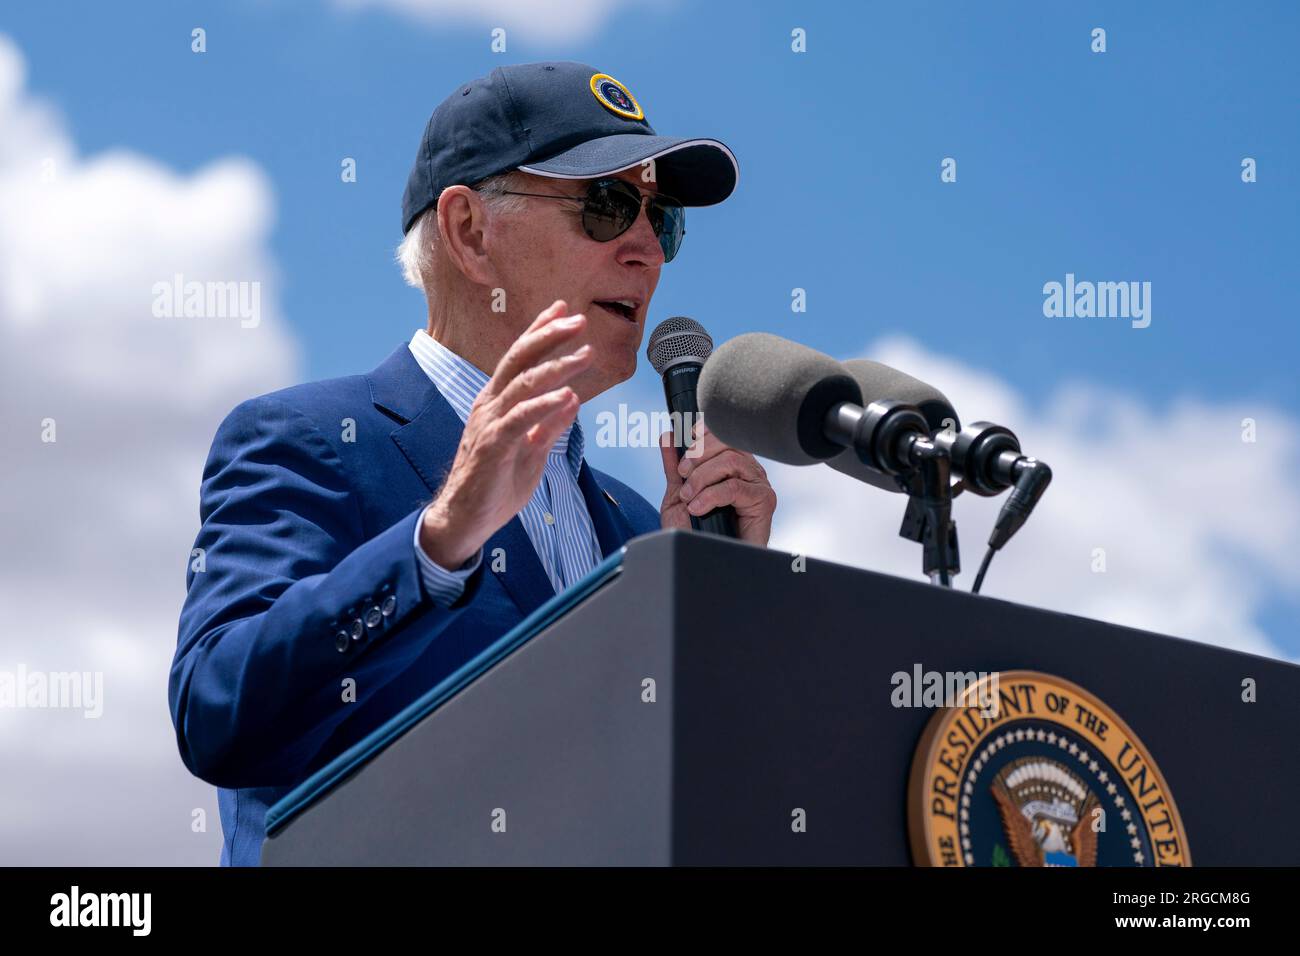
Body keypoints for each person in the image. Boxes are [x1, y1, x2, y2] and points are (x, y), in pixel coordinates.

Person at [169, 61, 778, 866]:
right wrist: (439, 541)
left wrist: (714, 614)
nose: (645, 251)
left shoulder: (641, 528)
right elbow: (220, 716)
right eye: (605, 206)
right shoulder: (304, 437)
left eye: (660, 222)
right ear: (467, 232)